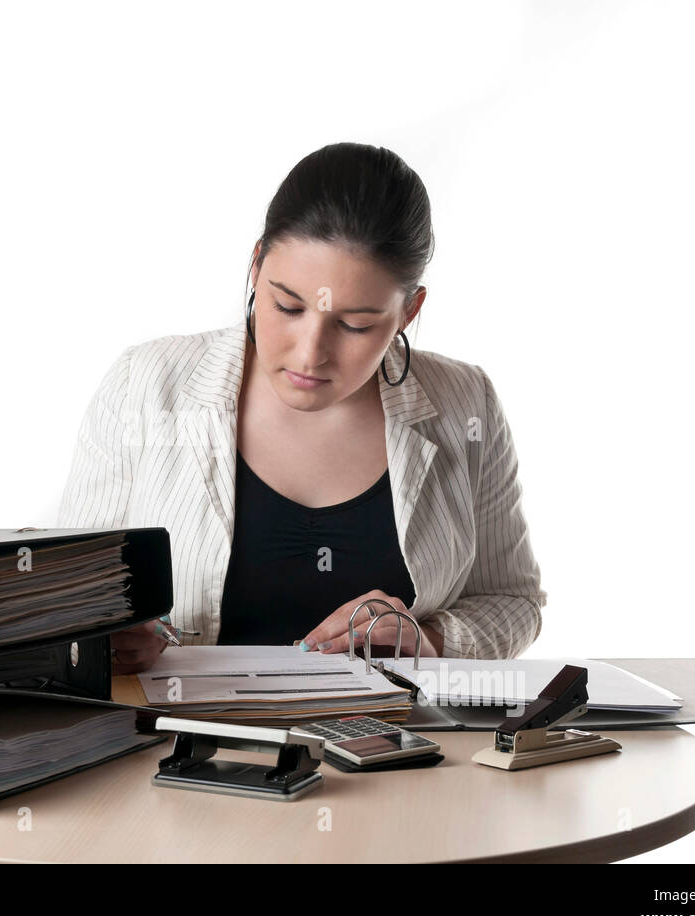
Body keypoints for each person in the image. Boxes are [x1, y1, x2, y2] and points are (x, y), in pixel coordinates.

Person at [58, 142, 546, 675]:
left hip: (397, 749)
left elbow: (512, 602)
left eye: (355, 324)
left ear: (409, 311)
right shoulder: (146, 385)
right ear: (255, 265)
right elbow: (61, 603)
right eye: (287, 306)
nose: (310, 352)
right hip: (181, 747)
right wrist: (106, 639)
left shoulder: (465, 402)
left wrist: (426, 639)